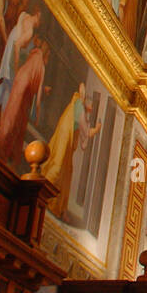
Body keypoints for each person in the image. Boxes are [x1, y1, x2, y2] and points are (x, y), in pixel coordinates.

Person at [42, 83, 101, 220]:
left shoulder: (79, 106)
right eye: (90, 108)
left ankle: (61, 208)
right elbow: (86, 132)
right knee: (57, 168)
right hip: (64, 140)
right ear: (88, 104)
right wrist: (97, 129)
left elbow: (82, 132)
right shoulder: (79, 106)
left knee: (66, 173)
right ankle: (40, 194)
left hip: (66, 142)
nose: (90, 111)